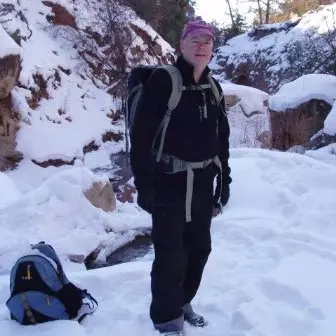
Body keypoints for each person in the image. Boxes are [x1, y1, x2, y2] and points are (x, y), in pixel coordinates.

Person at [130, 20, 232, 335]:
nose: (202, 46)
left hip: (201, 184)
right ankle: (166, 320)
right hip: (168, 183)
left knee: (200, 249)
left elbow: (222, 138)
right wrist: (143, 185)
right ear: (181, 45)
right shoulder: (164, 80)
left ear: (213, 49)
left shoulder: (213, 88)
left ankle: (182, 301)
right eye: (195, 40)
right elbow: (141, 136)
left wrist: (224, 180)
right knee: (170, 255)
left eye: (207, 41)